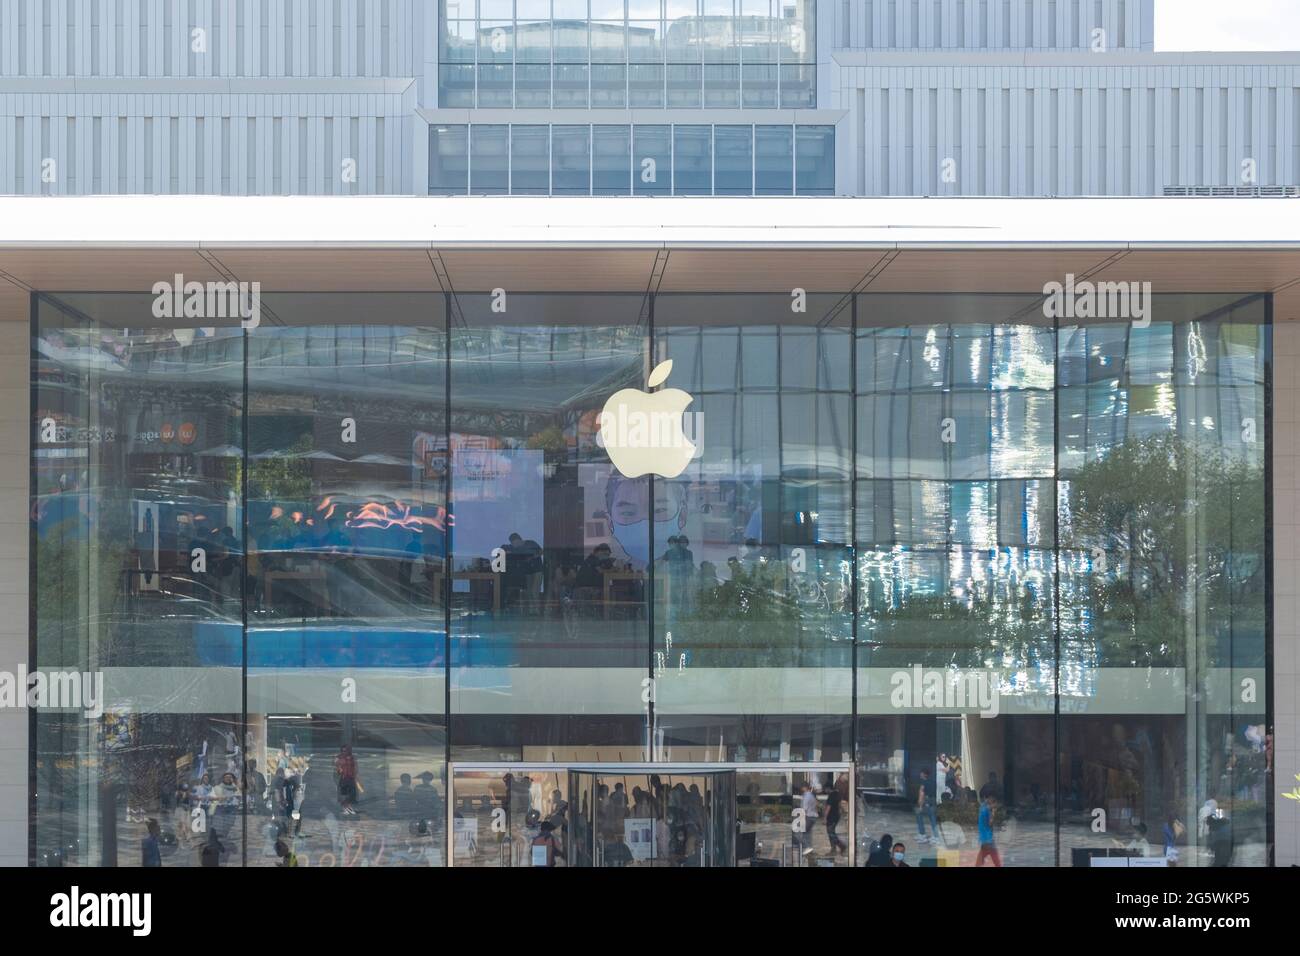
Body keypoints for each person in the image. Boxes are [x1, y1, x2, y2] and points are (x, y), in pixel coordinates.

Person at [916, 769, 941, 845]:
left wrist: (920, 805)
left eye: (921, 773)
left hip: (927, 801)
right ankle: (936, 837)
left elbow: (922, 794)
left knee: (919, 815)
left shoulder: (924, 782)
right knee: (932, 818)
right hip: (933, 801)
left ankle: (922, 835)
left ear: (924, 774)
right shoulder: (933, 781)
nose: (920, 774)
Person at [976, 793, 1001, 867]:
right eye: (995, 803)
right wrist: (993, 813)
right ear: (992, 801)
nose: (996, 806)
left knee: (983, 853)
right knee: (993, 853)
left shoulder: (982, 807)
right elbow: (990, 823)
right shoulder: (987, 810)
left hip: (983, 835)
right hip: (988, 836)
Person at [334, 744, 359, 815]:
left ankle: (348, 808)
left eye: (345, 751)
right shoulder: (339, 758)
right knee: (344, 795)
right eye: (342, 751)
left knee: (351, 795)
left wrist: (356, 776)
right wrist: (338, 765)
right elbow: (338, 771)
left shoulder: (352, 758)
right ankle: (346, 808)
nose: (344, 752)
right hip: (344, 778)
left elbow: (356, 767)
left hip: (350, 778)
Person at [825, 784, 846, 854]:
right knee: (832, 832)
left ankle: (840, 846)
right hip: (836, 816)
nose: (825, 790)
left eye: (825, 789)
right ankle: (834, 849)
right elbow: (840, 806)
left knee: (831, 833)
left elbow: (828, 807)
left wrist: (824, 818)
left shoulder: (831, 795)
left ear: (828, 788)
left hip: (831, 817)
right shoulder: (838, 794)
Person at [798, 782, 818, 857]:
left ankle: (807, 847)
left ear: (804, 787)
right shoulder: (811, 795)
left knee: (801, 833)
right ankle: (809, 849)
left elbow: (804, 808)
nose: (800, 789)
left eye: (801, 787)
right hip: (813, 816)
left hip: (808, 816)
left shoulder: (806, 796)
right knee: (808, 834)